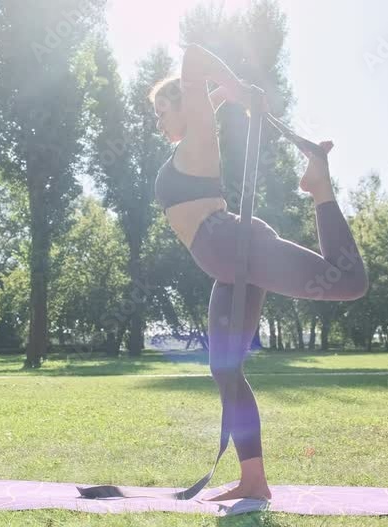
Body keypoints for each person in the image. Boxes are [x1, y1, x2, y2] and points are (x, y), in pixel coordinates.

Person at [150, 44, 369, 501]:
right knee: (223, 369)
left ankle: (320, 188)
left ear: (183, 104)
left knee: (348, 282)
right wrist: (223, 97)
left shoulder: (199, 141)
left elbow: (193, 56)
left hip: (236, 246)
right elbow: (202, 104)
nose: (158, 121)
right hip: (229, 267)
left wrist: (230, 86)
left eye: (161, 109)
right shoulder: (195, 136)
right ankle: (254, 480)